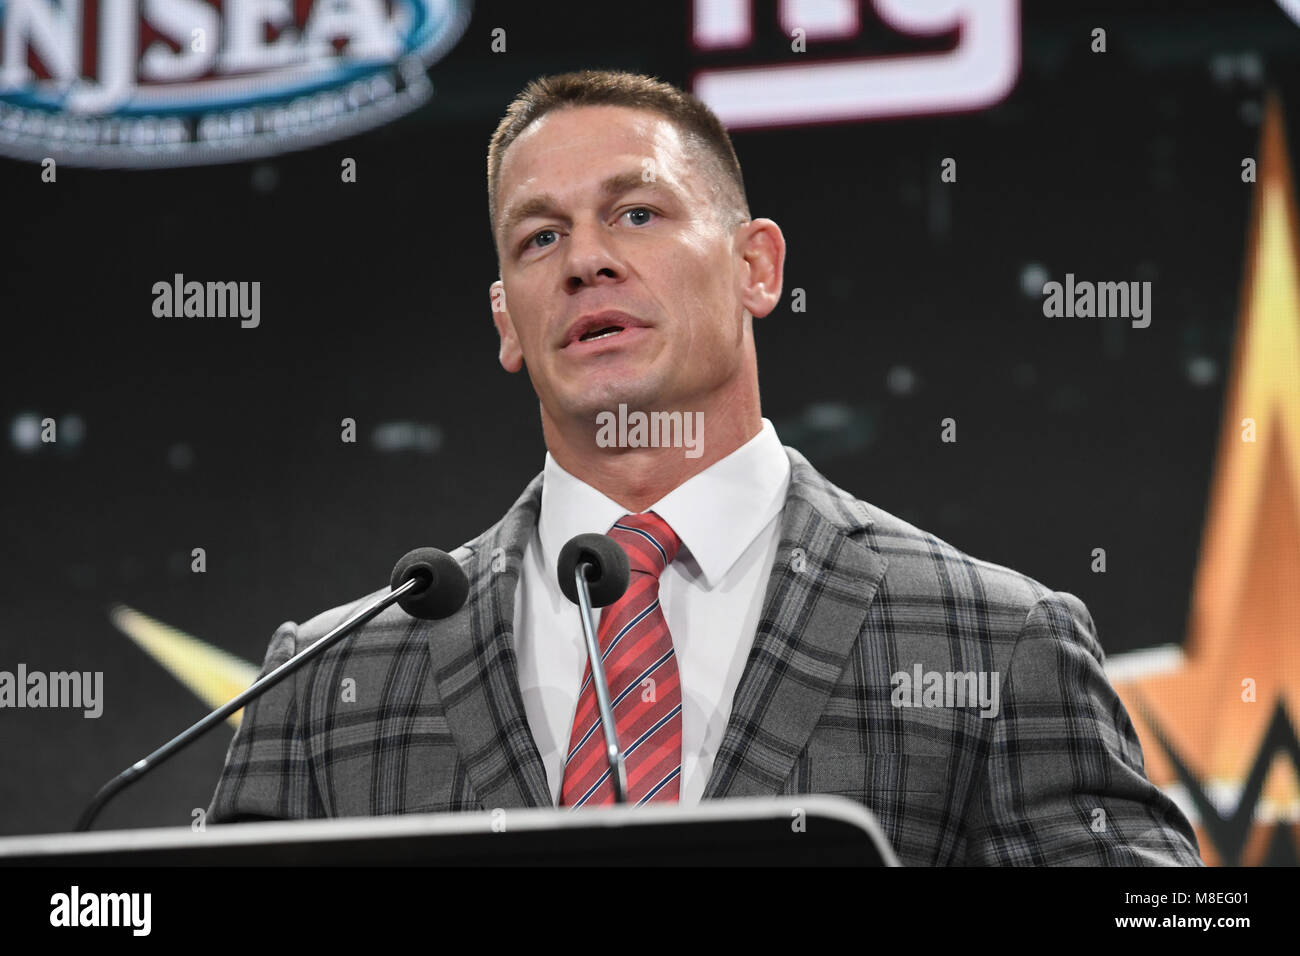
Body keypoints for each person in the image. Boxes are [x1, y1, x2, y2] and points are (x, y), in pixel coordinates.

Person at [209, 69, 1203, 866]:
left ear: (756, 267)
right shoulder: (325, 677)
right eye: (540, 235)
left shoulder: (995, 643)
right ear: (507, 320)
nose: (585, 261)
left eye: (636, 213)